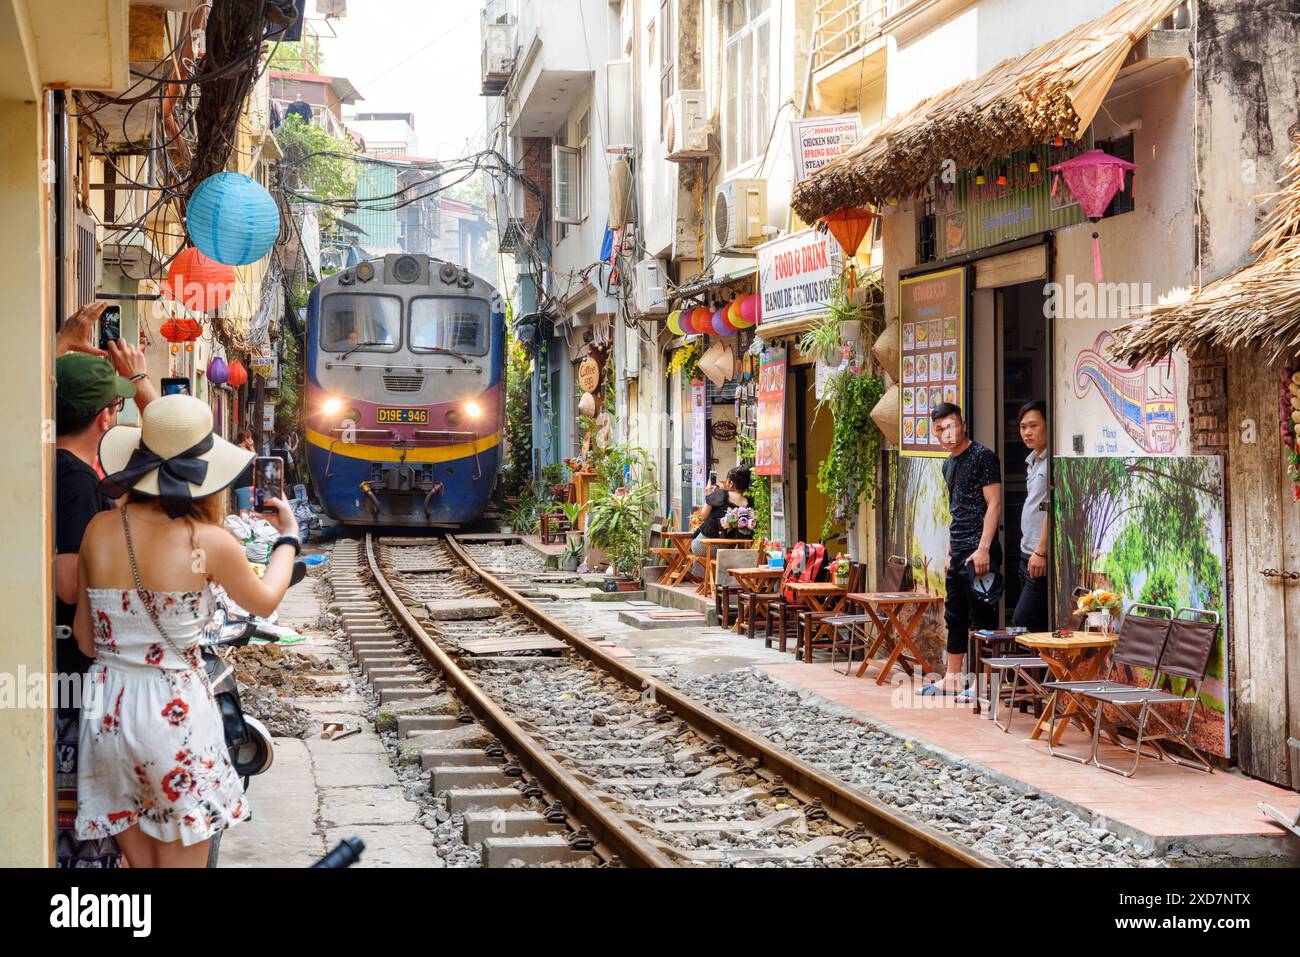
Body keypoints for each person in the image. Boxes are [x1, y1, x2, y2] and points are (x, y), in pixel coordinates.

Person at [72, 394, 300, 867]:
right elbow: (266, 599)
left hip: (108, 711)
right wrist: (288, 539)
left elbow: (86, 640)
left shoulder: (98, 528)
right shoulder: (209, 541)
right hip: (172, 712)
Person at [53, 302, 159, 868]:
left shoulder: (54, 464)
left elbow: (164, 458)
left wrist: (63, 344)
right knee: (80, 832)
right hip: (70, 673)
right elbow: (69, 583)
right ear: (104, 417)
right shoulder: (71, 482)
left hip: (64, 670)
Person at [923, 403, 1002, 697]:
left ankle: (984, 685)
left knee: (982, 618)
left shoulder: (983, 457)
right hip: (958, 552)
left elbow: (994, 503)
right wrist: (949, 553)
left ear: (964, 425)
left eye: (951, 425)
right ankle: (952, 679)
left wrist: (984, 549)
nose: (947, 433)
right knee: (954, 615)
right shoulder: (948, 464)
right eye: (940, 429)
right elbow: (956, 511)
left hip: (980, 551)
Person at [1013, 401, 1050, 631]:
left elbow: (1051, 508)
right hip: (1026, 553)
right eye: (1023, 426)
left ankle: (1021, 669)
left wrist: (1041, 550)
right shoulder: (1033, 460)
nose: (1027, 432)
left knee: (1021, 623)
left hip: (1038, 555)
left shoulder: (1052, 462)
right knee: (1035, 627)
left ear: (1048, 425)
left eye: (1033, 425)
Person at [690, 466, 753, 558]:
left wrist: (709, 495)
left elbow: (703, 516)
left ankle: (700, 572)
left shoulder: (721, 494)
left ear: (731, 483)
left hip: (704, 546)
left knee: (693, 546)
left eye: (727, 480)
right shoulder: (749, 503)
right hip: (728, 549)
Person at [233, 429, 256, 512]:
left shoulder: (239, 449)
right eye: (250, 438)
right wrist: (251, 446)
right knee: (244, 513)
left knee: (246, 513)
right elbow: (257, 463)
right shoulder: (243, 450)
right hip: (244, 486)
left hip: (242, 485)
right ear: (245, 439)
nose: (252, 440)